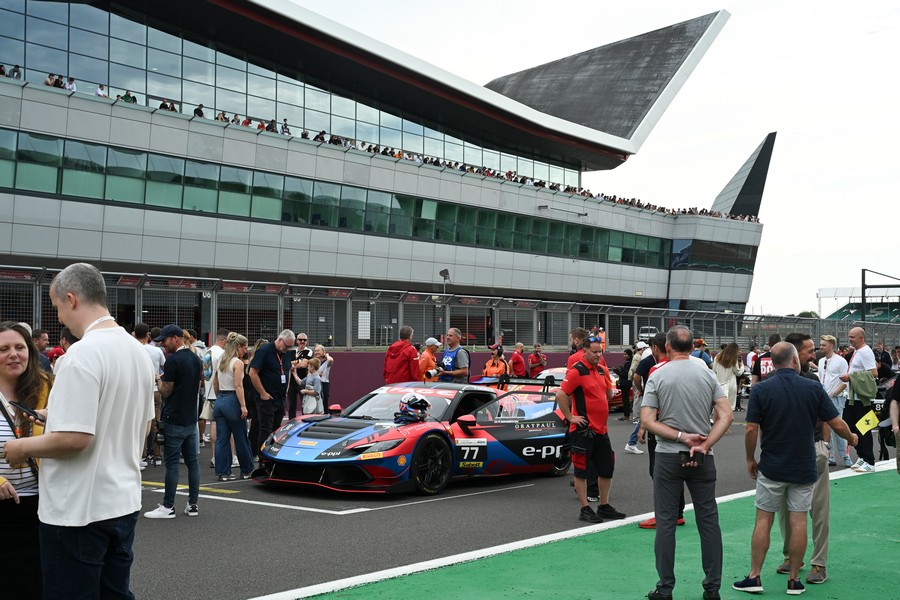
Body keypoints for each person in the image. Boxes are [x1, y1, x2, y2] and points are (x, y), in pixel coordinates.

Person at [4, 263, 154, 597]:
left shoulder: (81, 354)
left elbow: (76, 439)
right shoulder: (137, 352)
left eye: (57, 307)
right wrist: (54, 416)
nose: (59, 318)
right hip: (123, 501)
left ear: (71, 299)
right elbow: (141, 423)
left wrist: (21, 449)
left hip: (78, 511)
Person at [734, 342, 857, 596]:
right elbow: (836, 423)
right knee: (799, 519)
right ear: (794, 360)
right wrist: (853, 438)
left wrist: (750, 458)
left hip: (772, 466)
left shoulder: (761, 389)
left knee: (764, 520)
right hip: (803, 466)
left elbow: (750, 429)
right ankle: (794, 581)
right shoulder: (812, 387)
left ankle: (755, 576)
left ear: (774, 362)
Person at [641, 326, 732, 600]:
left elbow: (647, 420)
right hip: (703, 457)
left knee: (666, 522)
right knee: (708, 521)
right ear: (693, 347)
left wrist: (681, 436)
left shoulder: (658, 375)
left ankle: (665, 588)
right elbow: (725, 415)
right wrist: (704, 444)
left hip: (668, 455)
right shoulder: (706, 373)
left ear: (667, 347)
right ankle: (712, 589)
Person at [0, 322, 52, 600]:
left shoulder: (47, 386)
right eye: (4, 348)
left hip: (42, 506)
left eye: (20, 347)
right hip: (2, 505)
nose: (13, 354)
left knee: (36, 584)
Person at [556, 336, 625, 524]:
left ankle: (604, 506)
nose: (597, 355)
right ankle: (585, 508)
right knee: (581, 470)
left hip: (601, 429)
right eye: (594, 352)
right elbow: (561, 394)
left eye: (600, 351)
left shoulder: (603, 370)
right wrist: (570, 417)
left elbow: (608, 394)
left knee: (607, 468)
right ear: (584, 351)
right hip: (583, 430)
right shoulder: (576, 371)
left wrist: (607, 391)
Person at [144, 324, 202, 519]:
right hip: (190, 419)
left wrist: (157, 379)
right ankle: (192, 504)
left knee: (172, 465)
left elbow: (166, 390)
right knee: (192, 463)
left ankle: (168, 506)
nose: (163, 345)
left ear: (175, 338)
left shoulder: (173, 361)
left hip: (174, 418)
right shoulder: (196, 359)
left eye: (165, 340)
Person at [212, 332, 254, 481]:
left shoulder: (221, 360)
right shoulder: (238, 363)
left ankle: (223, 472)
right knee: (241, 437)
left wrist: (219, 398)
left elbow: (215, 382)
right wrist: (243, 406)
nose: (245, 351)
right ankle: (246, 470)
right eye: (244, 348)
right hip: (232, 400)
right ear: (238, 347)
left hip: (221, 399)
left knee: (222, 439)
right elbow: (238, 385)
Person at [838, 326, 878, 472]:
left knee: (864, 429)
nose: (850, 339)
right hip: (853, 397)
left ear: (861, 337)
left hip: (862, 398)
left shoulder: (866, 352)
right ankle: (861, 457)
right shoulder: (857, 351)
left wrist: (851, 377)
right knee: (851, 427)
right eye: (849, 336)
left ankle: (869, 461)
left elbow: (873, 373)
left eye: (852, 337)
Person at [249, 329, 295, 455]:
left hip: (280, 398)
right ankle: (262, 458)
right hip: (266, 398)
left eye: (290, 346)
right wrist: (262, 393)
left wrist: (286, 390)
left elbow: (288, 371)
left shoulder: (285, 353)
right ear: (280, 340)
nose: (288, 349)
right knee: (265, 429)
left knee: (276, 429)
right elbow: (253, 373)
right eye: (286, 345)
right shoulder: (264, 351)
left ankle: (272, 456)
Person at [134, 323, 165, 467]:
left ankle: (142, 454)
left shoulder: (133, 350)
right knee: (156, 422)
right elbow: (164, 367)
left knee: (140, 422)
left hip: (139, 390)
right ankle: (157, 455)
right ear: (148, 335)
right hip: (155, 389)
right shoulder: (156, 351)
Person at [817, 335, 850, 467]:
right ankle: (830, 456)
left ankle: (845, 456)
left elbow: (844, 383)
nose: (821, 347)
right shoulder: (820, 361)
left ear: (831, 345)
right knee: (825, 428)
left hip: (837, 398)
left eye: (823, 345)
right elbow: (821, 380)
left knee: (838, 427)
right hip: (824, 398)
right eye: (821, 344)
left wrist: (832, 394)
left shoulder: (841, 361)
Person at [200, 329, 227, 459]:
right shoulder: (222, 353)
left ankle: (214, 457)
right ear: (223, 340)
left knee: (213, 424)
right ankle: (224, 457)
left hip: (209, 391)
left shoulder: (208, 351)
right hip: (220, 392)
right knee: (223, 427)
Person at [286, 333, 312, 420]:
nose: (302, 342)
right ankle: (291, 424)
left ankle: (305, 422)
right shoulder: (291, 352)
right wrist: (299, 361)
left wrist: (293, 365)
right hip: (292, 382)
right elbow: (286, 363)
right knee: (291, 406)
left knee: (305, 404)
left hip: (303, 381)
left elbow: (304, 364)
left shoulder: (308, 351)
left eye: (304, 340)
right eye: (300, 339)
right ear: (297, 341)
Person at [712, 342, 744, 411]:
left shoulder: (717, 356)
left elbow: (714, 369)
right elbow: (738, 372)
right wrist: (742, 366)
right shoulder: (733, 358)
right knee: (729, 408)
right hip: (731, 384)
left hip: (720, 383)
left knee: (719, 407)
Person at [615, 348, 633, 421]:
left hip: (625, 383)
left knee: (625, 400)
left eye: (625, 354)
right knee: (625, 400)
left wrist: (617, 372)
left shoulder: (628, 364)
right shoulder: (629, 363)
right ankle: (626, 415)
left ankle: (626, 416)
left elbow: (625, 374)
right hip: (627, 383)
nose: (624, 356)